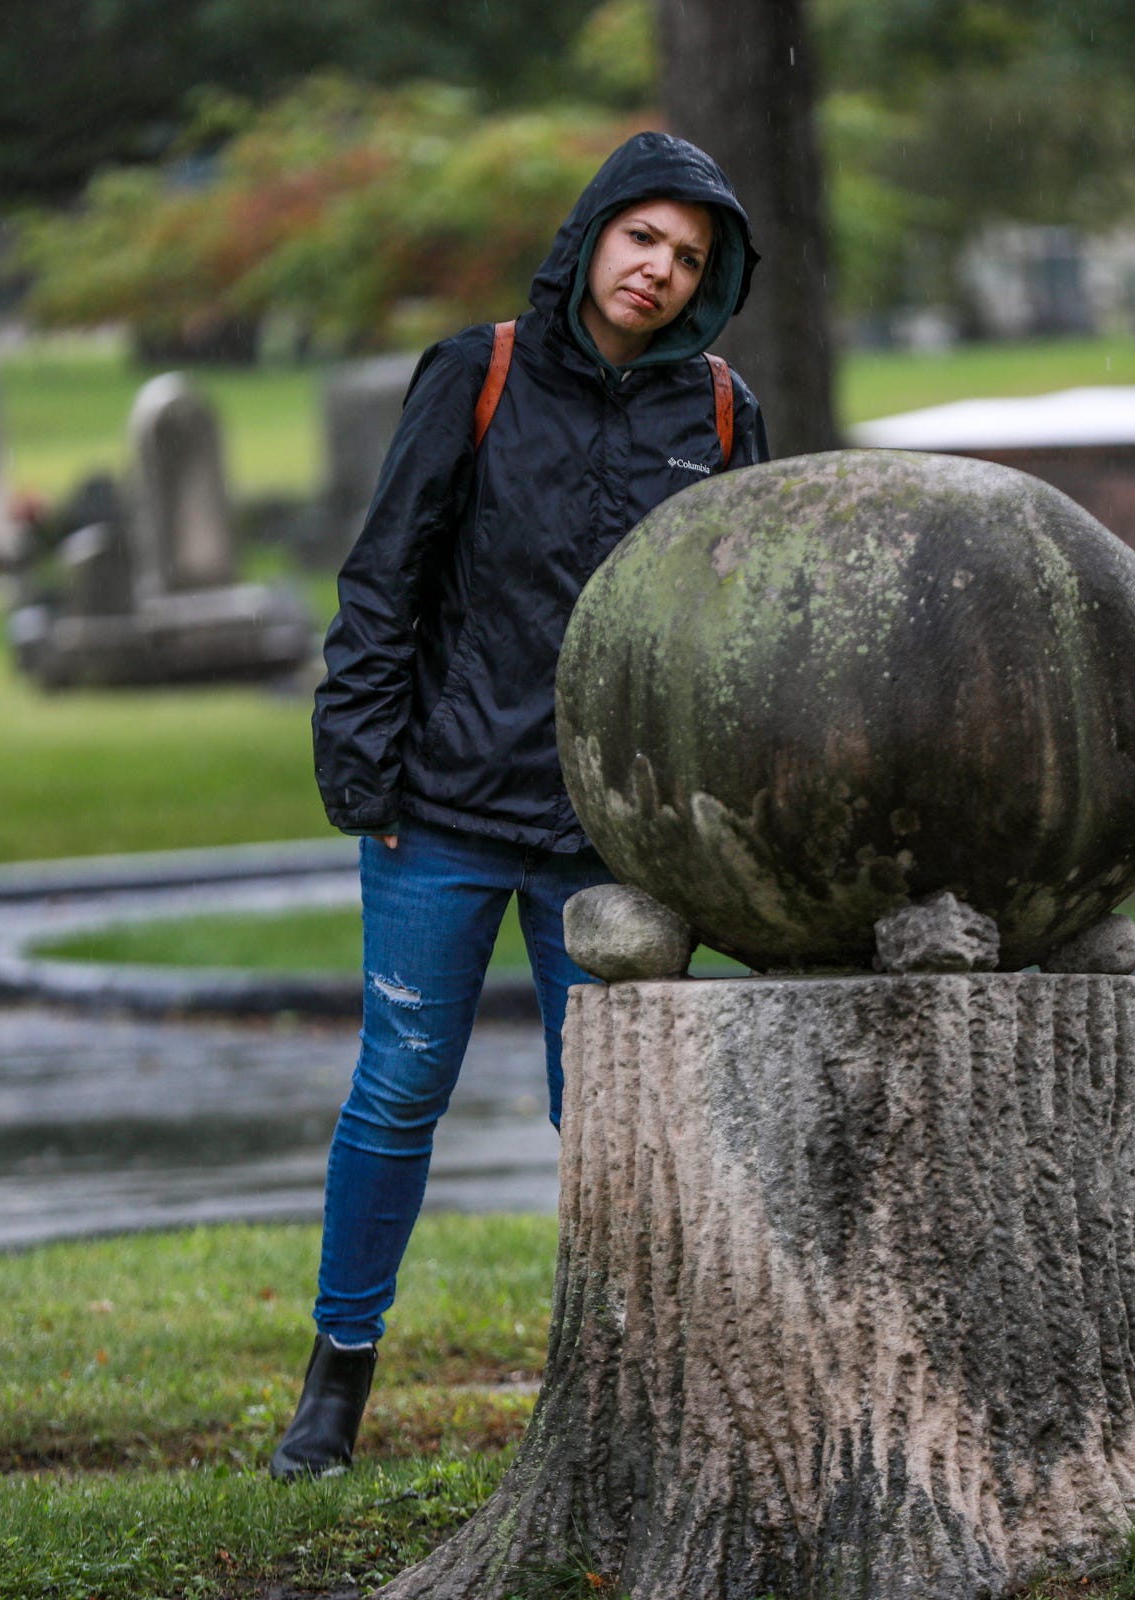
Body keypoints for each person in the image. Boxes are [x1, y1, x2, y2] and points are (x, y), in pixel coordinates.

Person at [270, 132, 768, 1478]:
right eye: (643, 239)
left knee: (602, 1114)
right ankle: (336, 1375)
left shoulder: (719, 415)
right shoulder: (475, 373)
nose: (658, 271)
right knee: (398, 1091)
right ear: (595, 233)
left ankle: (622, 1390)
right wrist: (361, 769)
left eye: (688, 259)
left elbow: (733, 632)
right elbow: (385, 579)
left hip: (607, 841)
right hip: (436, 813)